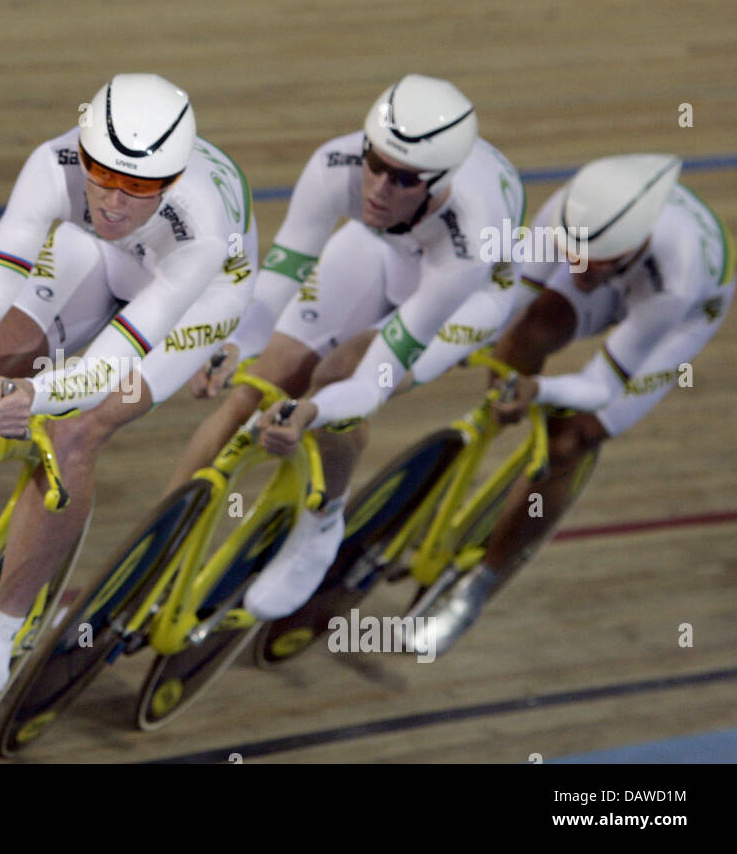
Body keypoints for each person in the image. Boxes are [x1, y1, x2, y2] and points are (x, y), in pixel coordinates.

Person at [0, 73, 258, 718]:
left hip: (196, 298)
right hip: (93, 254)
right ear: (84, 153)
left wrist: (40, 394)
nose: (116, 199)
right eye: (101, 175)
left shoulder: (203, 225)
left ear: (172, 182)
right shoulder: (53, 164)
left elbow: (108, 367)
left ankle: (0, 632)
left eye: (140, 186)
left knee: (74, 429)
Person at [168, 74, 527, 622]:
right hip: (380, 249)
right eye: (374, 163)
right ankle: (153, 560)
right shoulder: (335, 166)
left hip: (464, 298)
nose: (378, 188)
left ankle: (324, 520)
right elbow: (280, 278)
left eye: (402, 179)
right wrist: (235, 345)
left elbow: (374, 377)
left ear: (440, 182)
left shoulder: (473, 235)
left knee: (340, 376)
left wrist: (313, 409)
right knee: (253, 388)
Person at [412, 153, 733, 654]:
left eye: (597, 257)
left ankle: (477, 589)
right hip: (625, 271)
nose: (580, 267)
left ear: (634, 243)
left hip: (679, 312)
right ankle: (489, 432)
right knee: (525, 335)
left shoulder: (679, 279)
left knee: (569, 440)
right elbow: (507, 300)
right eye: (573, 252)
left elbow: (602, 385)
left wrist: (540, 391)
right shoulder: (568, 214)